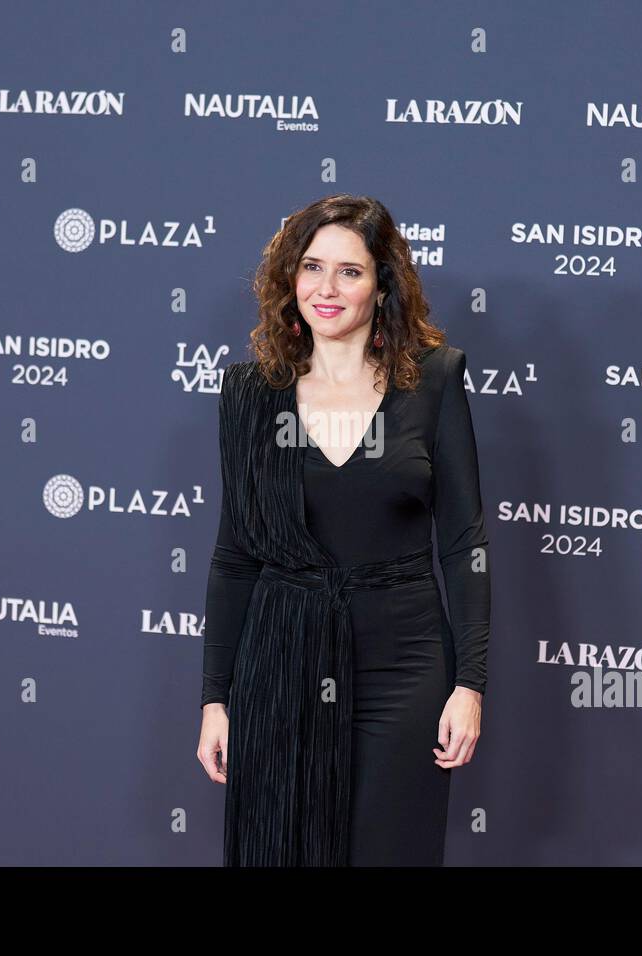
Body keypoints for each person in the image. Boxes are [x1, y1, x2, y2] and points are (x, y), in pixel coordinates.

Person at [195, 193, 491, 866]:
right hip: (281, 665)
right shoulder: (249, 393)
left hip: (404, 669)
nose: (325, 289)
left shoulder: (433, 382)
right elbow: (234, 556)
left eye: (350, 272)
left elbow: (464, 543)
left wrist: (469, 685)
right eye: (311, 268)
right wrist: (217, 700)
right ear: (288, 281)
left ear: (383, 285)